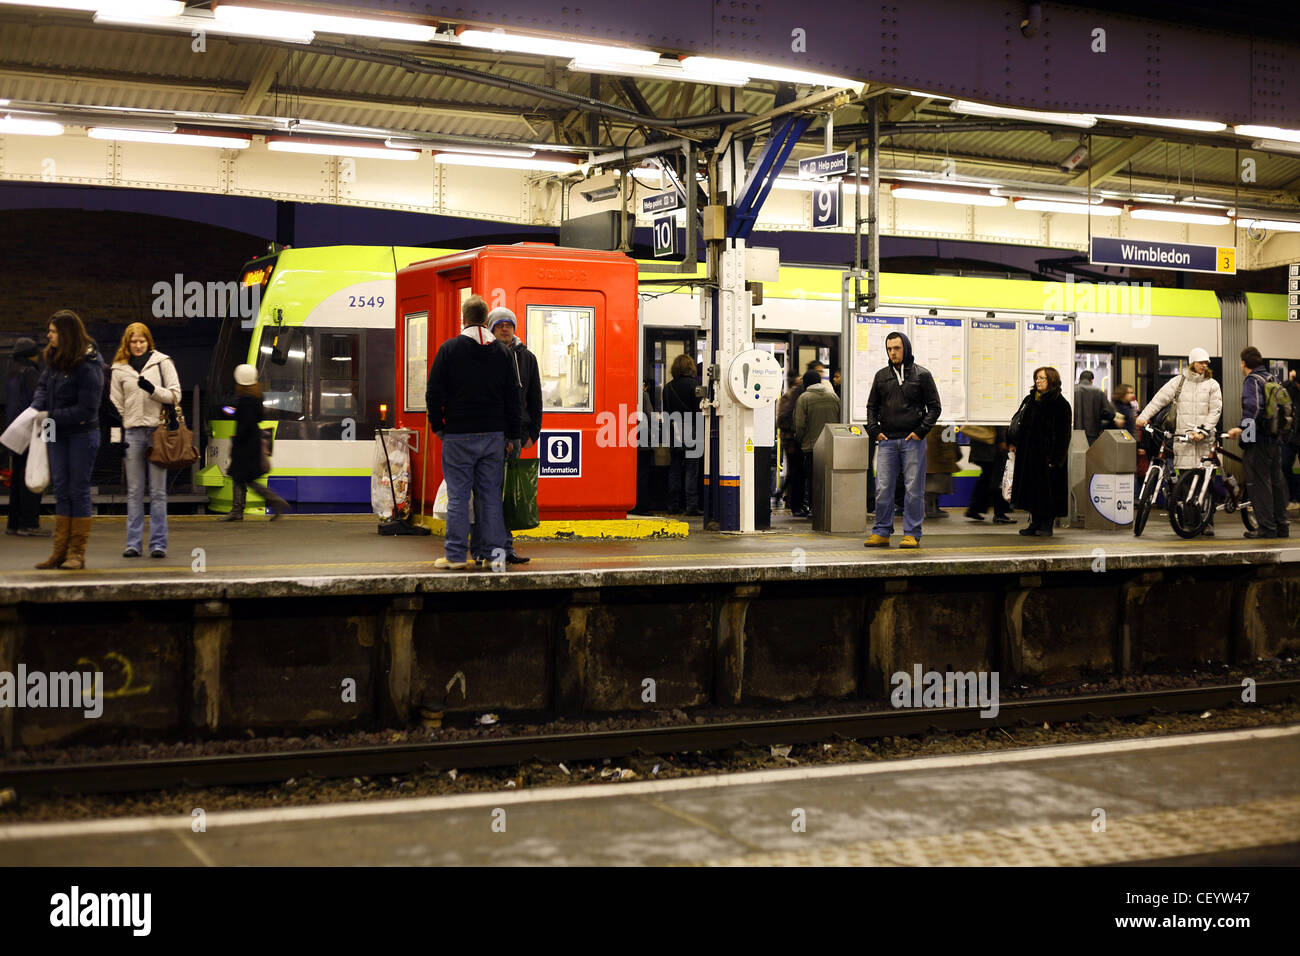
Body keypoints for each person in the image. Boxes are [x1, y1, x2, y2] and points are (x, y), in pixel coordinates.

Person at [426, 294, 520, 570]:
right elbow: (513, 397)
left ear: (464, 319)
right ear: (486, 319)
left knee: (458, 496)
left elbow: (434, 393)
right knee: (490, 496)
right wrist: (512, 435)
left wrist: (439, 426)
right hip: (493, 436)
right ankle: (493, 556)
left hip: (458, 434)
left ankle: (455, 556)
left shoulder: (450, 349)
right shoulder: (503, 353)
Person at [30, 310, 103, 570]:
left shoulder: (88, 363)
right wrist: (36, 407)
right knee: (60, 488)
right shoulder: (53, 357)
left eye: (52, 331)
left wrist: (50, 414)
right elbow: (42, 386)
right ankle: (59, 552)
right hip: (55, 430)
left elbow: (87, 410)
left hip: (81, 433)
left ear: (66, 334)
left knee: (78, 490)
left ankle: (76, 554)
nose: (48, 335)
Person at [470, 307, 540, 567]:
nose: (504, 328)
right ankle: (480, 548)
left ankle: (506, 548)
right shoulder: (483, 354)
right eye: (499, 324)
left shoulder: (527, 358)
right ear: (490, 328)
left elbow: (535, 398)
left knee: (509, 495)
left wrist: (533, 432)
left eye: (508, 324)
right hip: (488, 434)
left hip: (516, 436)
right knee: (485, 494)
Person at [110, 322, 181, 558]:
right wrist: (127, 421)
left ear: (148, 341)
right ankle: (133, 544)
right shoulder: (119, 369)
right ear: (127, 343)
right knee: (134, 491)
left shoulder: (163, 362)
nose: (138, 345)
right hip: (132, 433)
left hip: (157, 432)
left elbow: (175, 395)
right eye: (133, 341)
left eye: (142, 341)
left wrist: (153, 390)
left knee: (158, 492)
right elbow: (116, 403)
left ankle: (158, 544)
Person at [864, 332, 941, 549]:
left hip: (913, 441)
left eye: (896, 348)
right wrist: (873, 430)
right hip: (887, 440)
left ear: (905, 348)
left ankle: (912, 533)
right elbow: (871, 407)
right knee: (883, 488)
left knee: (913, 489)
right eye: (889, 349)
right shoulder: (881, 376)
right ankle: (881, 531)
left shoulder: (922, 375)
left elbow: (934, 407)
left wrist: (921, 431)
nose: (893, 352)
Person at [1135, 348, 1223, 534]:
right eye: (1201, 362)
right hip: (1183, 440)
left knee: (1204, 484)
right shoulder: (1178, 382)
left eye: (1206, 363)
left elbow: (1215, 410)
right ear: (1192, 362)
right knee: (1184, 485)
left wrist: (1204, 430)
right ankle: (1190, 522)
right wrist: (1143, 417)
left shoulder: (1212, 385)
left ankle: (1207, 522)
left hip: (1204, 441)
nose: (1204, 366)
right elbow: (1158, 400)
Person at [1227, 346, 1289, 539]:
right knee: (1277, 484)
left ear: (1243, 363)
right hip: (1275, 440)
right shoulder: (1273, 379)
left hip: (1259, 441)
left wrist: (1242, 429)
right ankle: (1281, 527)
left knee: (1259, 485)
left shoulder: (1252, 380)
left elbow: (1253, 408)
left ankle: (1267, 528)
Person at [221, 364, 291, 522]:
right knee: (244, 478)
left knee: (242, 477)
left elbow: (245, 424)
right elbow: (258, 418)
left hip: (245, 445)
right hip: (252, 443)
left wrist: (236, 441)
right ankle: (241, 509)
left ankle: (241, 510)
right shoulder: (257, 397)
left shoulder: (245, 401)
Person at [1010, 366, 1072, 536]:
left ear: (1051, 380)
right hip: (1029, 455)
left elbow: (1064, 435)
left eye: (1042, 378)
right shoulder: (1030, 400)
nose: (1038, 381)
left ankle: (1047, 524)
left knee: (1048, 492)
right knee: (1032, 490)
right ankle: (1035, 522)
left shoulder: (1061, 404)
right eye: (1036, 378)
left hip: (1048, 457)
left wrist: (1056, 459)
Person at [5, 337, 48, 536]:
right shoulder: (31, 373)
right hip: (31, 432)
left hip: (14, 432)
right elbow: (39, 404)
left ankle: (13, 523)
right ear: (32, 355)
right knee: (31, 475)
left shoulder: (12, 372)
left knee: (17, 476)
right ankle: (28, 522)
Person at [794, 367, 841, 518]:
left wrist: (801, 440)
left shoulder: (804, 398)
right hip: (831, 444)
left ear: (806, 383)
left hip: (811, 446)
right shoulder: (833, 396)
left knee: (813, 479)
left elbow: (799, 424)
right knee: (829, 478)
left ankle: (815, 509)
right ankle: (830, 508)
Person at [661, 353, 702, 516]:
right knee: (692, 470)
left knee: (675, 469)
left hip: (674, 433)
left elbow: (666, 413)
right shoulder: (696, 386)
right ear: (690, 367)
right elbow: (700, 411)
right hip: (693, 431)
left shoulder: (667, 387)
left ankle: (673, 505)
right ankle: (691, 506)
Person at [963, 425, 1014, 524]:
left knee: (986, 478)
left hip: (983, 447)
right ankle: (1000, 513)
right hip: (993, 449)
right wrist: (1002, 441)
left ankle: (974, 509)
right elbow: (998, 424)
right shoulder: (994, 411)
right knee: (997, 479)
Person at [775, 374, 806, 515]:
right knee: (796, 473)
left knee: (795, 473)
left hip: (792, 440)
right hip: (793, 441)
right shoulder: (792, 396)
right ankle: (794, 504)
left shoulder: (794, 395)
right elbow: (783, 419)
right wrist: (794, 434)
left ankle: (782, 495)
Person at [1073, 370, 1115, 446]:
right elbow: (1110, 413)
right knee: (1091, 455)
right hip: (1093, 434)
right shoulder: (1098, 392)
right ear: (1092, 380)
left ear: (1079, 379)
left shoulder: (1072, 391)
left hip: (1074, 432)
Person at [1285, 369, 1300, 511]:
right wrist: (1290, 380)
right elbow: (1280, 390)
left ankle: (1297, 498)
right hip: (1292, 437)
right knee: (1284, 466)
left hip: (1295, 436)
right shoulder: (1291, 388)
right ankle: (1290, 497)